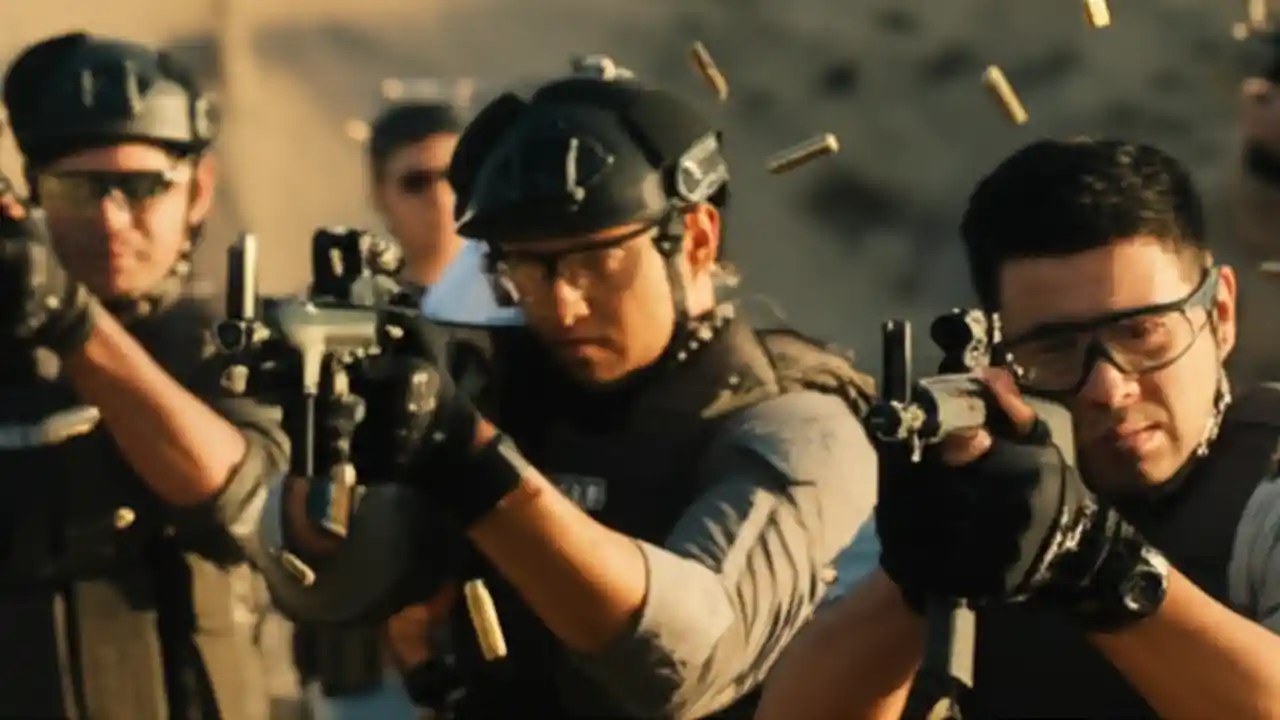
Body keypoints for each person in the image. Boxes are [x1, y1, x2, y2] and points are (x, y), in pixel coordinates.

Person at [240, 58, 880, 719]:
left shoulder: (792, 425)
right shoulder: (510, 394)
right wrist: (329, 447)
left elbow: (685, 666)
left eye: (595, 263)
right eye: (529, 268)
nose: (564, 305)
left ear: (694, 238)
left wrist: (473, 465)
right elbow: (338, 586)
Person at [756, 138, 1280, 720]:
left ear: (1220, 315)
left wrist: (1094, 563)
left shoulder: (1266, 483)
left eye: (1143, 332)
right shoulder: (969, 493)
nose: (1108, 387)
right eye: (1055, 348)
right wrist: (910, 585)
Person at [0, 31, 289, 719]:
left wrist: (70, 324)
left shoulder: (239, 343)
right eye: (77, 188)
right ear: (32, 193)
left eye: (141, 187)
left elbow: (236, 498)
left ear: (198, 191)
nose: (109, 218)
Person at [367, 100, 467, 300]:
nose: (440, 198)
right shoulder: (360, 311)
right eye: (416, 183)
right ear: (380, 195)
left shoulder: (523, 304)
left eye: (455, 177)